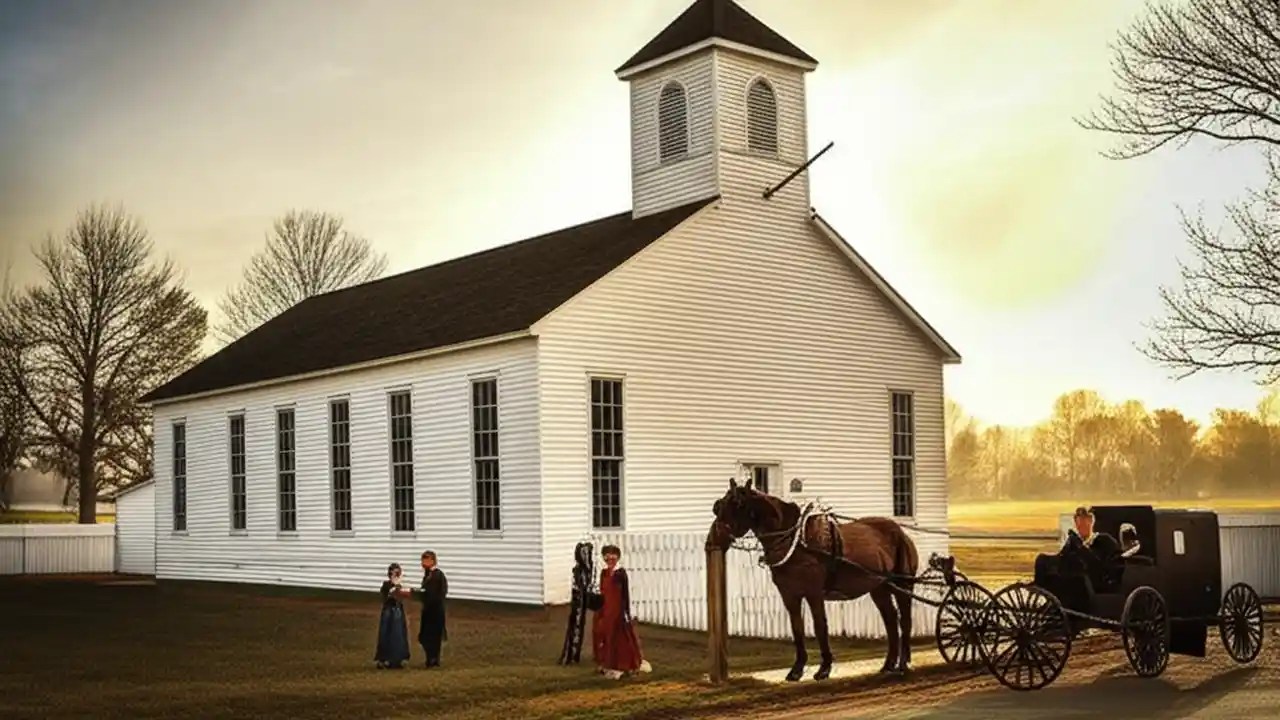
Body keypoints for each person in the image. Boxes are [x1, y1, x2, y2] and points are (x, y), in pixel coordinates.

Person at [592, 545, 651, 680]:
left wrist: (625, 612)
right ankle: (607, 663)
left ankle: (625, 664)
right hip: (606, 609)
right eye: (606, 555)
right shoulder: (604, 573)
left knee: (621, 637)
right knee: (605, 636)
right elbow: (602, 592)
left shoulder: (620, 574)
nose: (609, 558)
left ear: (618, 557)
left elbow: (625, 595)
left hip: (617, 610)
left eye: (612, 555)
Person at [414, 550, 448, 668]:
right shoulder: (427, 576)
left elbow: (442, 591)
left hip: (436, 610)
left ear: (432, 561)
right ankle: (429, 657)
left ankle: (435, 658)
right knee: (426, 635)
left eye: (426, 560)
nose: (423, 563)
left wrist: (433, 599)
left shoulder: (438, 575)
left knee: (435, 635)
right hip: (427, 610)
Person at [375, 563, 412, 669]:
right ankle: (384, 658)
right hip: (389, 612)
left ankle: (397, 659)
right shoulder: (386, 584)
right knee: (387, 634)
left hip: (397, 612)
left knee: (398, 634)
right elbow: (386, 596)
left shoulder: (399, 585)